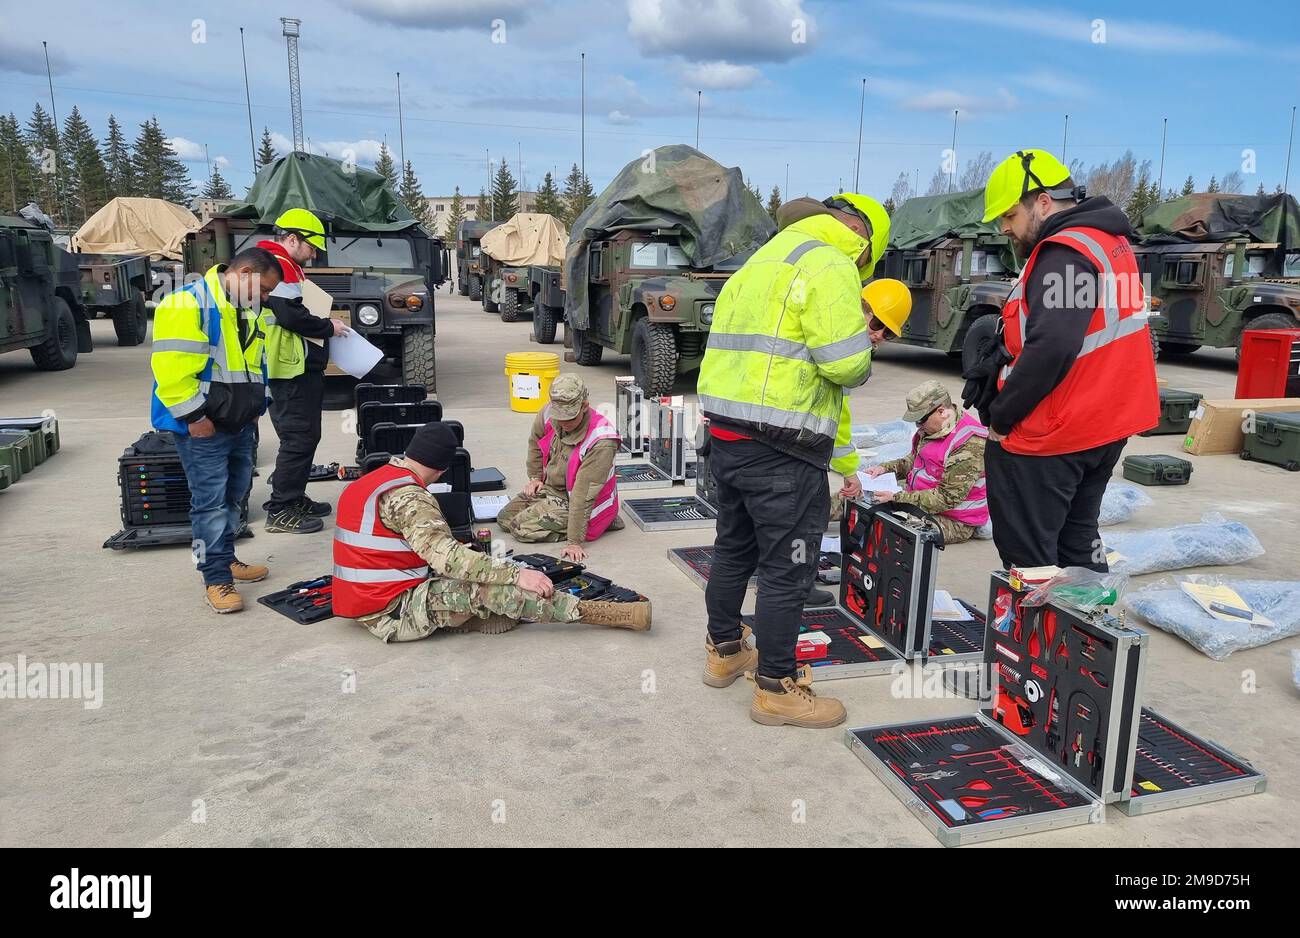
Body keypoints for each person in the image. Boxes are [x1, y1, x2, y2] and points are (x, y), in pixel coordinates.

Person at [695, 192, 896, 729]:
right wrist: (862, 350)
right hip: (783, 448)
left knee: (733, 548)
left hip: (727, 438)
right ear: (863, 238)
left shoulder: (757, 263)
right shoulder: (829, 264)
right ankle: (777, 688)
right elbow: (846, 365)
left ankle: (725, 650)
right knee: (788, 569)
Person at [980, 149, 1158, 570]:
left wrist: (1002, 417)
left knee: (1030, 556)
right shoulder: (1111, 244)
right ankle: (1088, 612)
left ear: (1043, 202)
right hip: (1105, 425)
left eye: (1010, 215)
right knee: (1077, 539)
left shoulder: (1065, 253)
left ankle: (1037, 615)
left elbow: (1053, 346)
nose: (1004, 228)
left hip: (1057, 431)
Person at [332, 423, 651, 641]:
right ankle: (597, 613)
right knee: (501, 591)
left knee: (482, 572)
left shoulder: (373, 482)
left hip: (365, 598)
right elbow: (449, 560)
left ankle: (470, 614)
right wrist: (516, 575)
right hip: (391, 610)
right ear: (442, 468)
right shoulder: (409, 497)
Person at [150, 248, 282, 614]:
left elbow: (255, 365)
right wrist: (194, 417)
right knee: (209, 503)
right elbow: (171, 371)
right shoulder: (186, 304)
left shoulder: (247, 308)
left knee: (234, 496)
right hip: (203, 426)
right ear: (244, 273)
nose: (266, 297)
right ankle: (215, 577)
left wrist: (257, 408)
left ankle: (226, 558)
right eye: (264, 289)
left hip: (239, 422)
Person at [257, 208, 349, 535]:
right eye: (311, 247)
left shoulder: (286, 266)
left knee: (306, 435)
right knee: (297, 437)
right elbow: (290, 316)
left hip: (297, 366)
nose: (314, 255)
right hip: (287, 369)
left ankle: (294, 498)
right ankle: (280, 509)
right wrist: (328, 326)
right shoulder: (276, 266)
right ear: (293, 239)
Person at [496, 373, 623, 563]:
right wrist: (535, 478)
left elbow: (583, 495)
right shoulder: (548, 412)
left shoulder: (602, 441)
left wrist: (574, 541)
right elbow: (535, 443)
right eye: (559, 417)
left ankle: (604, 521)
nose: (563, 423)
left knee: (520, 529)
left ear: (584, 406)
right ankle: (551, 511)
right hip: (551, 489)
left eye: (569, 418)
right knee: (504, 519)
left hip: (575, 501)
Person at [861, 380, 989, 544]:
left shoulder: (970, 444)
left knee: (889, 530)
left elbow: (946, 498)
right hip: (918, 500)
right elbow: (914, 461)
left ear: (941, 412)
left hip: (954, 520)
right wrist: (884, 469)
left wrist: (897, 497)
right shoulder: (934, 428)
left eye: (921, 420)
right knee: (855, 495)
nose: (918, 426)